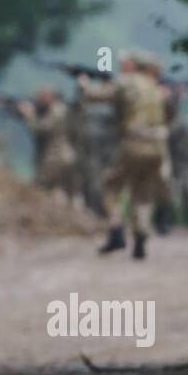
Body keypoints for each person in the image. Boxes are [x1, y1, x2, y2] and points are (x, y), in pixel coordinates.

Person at [77, 50, 171, 260]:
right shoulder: (156, 86)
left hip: (134, 143)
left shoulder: (126, 81)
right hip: (158, 146)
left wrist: (84, 85)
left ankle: (116, 230)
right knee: (143, 192)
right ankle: (141, 235)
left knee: (110, 186)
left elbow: (96, 97)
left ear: (133, 66)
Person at [13, 88, 82, 206]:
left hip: (55, 158)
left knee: (38, 188)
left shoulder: (57, 111)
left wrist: (29, 115)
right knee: (65, 192)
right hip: (69, 156)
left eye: (41, 98)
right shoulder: (65, 110)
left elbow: (39, 130)